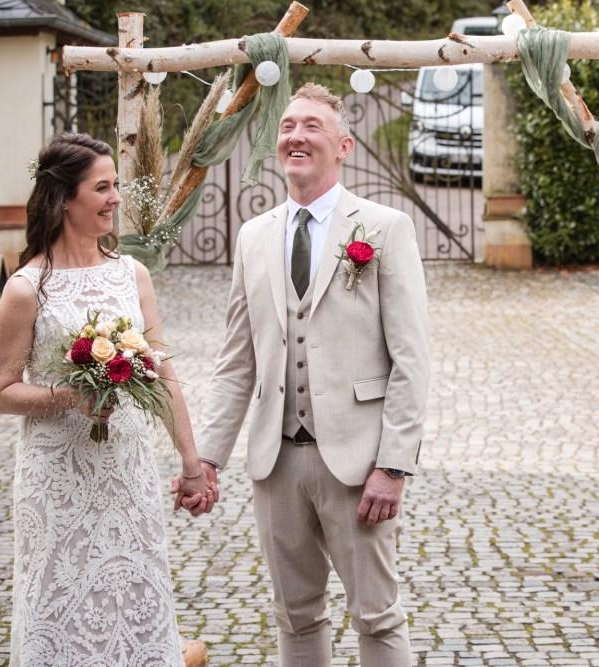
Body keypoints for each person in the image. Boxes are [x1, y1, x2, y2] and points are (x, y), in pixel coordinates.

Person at [184, 83, 429, 667]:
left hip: (357, 460)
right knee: (294, 615)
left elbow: (412, 359)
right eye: (288, 125)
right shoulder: (253, 236)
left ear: (343, 145)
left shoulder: (384, 228)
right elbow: (235, 360)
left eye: (312, 126)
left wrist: (392, 466)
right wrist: (207, 460)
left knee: (377, 614)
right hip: (276, 461)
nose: (296, 135)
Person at [0, 133, 213, 666]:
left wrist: (191, 460)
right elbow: (1, 392)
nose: (116, 198)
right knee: (63, 603)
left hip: (126, 468)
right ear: (65, 198)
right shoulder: (26, 289)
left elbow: (162, 368)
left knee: (132, 598)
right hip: (57, 479)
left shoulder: (130, 273)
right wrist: (71, 396)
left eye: (116, 186)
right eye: (103, 187)